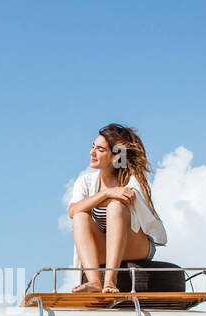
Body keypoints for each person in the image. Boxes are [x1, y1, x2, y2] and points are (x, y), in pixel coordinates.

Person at [67, 123, 167, 293]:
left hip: (135, 245)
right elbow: (72, 211)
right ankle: (94, 282)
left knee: (115, 207)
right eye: (93, 147)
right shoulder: (85, 182)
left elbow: (125, 201)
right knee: (80, 217)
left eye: (100, 149)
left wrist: (105, 199)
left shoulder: (131, 180)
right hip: (104, 246)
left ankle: (110, 282)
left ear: (116, 156)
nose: (92, 152)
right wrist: (107, 194)